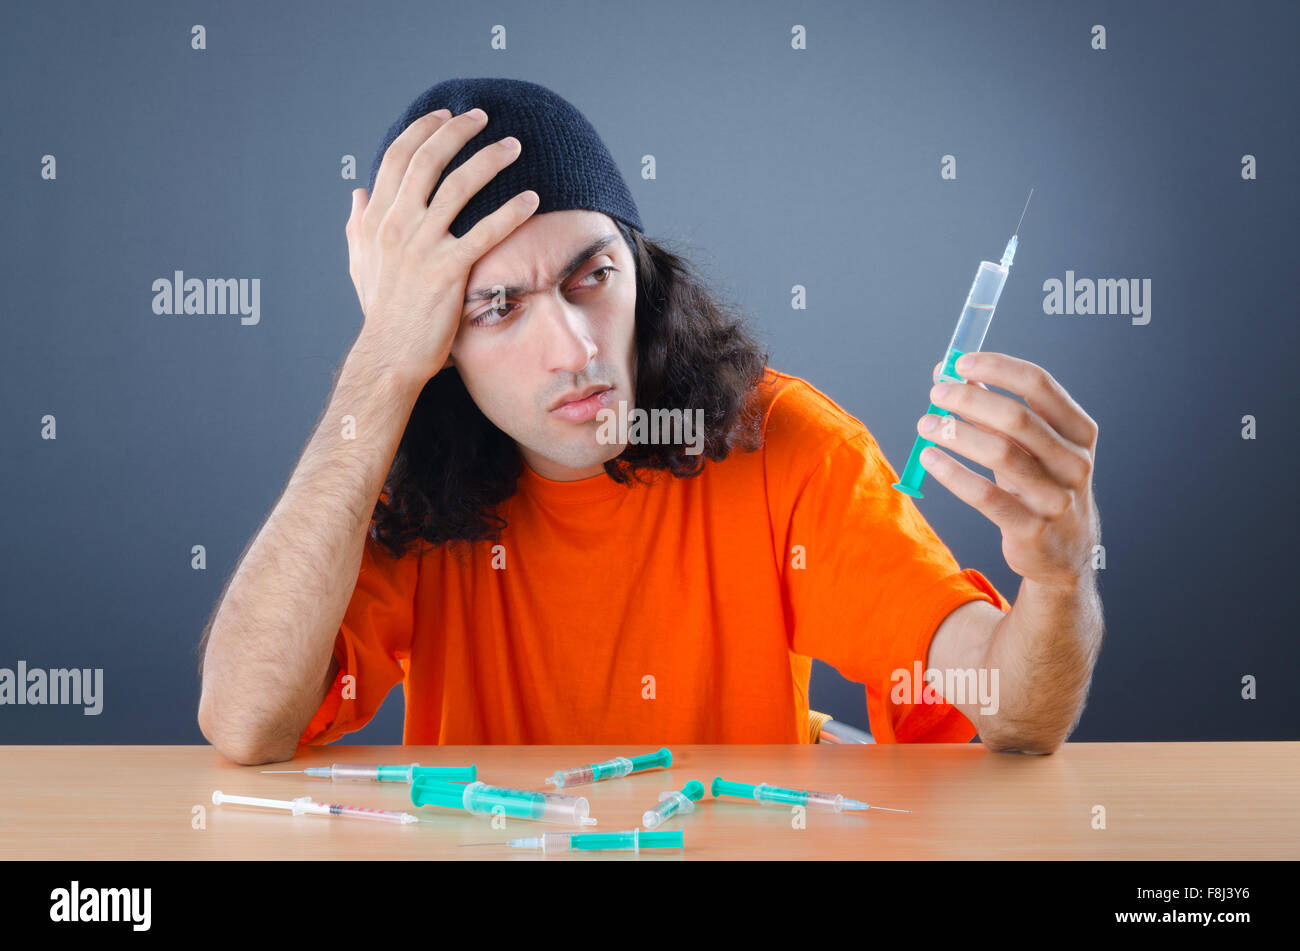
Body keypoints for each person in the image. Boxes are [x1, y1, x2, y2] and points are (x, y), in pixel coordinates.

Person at [198, 78, 1104, 765]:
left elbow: (1012, 708)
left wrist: (1059, 587)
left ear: (644, 271)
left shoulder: (784, 447)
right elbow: (244, 720)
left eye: (592, 275)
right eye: (497, 307)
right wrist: (379, 363)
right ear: (435, 346)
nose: (572, 346)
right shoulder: (409, 484)